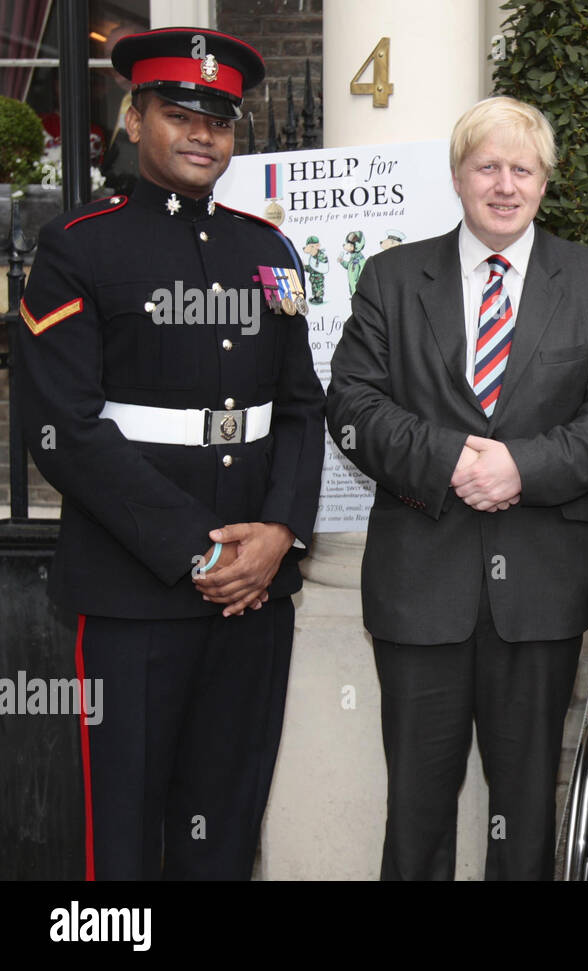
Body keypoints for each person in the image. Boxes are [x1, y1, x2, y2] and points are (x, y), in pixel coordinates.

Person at [13, 26, 325, 880]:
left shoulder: (267, 252)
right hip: (132, 594)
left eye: (218, 120)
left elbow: (301, 409)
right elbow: (68, 433)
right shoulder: (79, 247)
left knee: (223, 825)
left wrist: (280, 535)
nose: (201, 134)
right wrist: (201, 549)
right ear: (134, 117)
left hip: (253, 596)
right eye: (179, 113)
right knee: (120, 836)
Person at [326, 95, 588, 881]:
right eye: (487, 166)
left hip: (538, 593)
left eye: (522, 169)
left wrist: (521, 468)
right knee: (418, 808)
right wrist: (451, 460)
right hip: (418, 585)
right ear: (459, 176)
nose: (505, 184)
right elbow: (351, 406)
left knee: (527, 807)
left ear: (545, 181)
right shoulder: (394, 278)